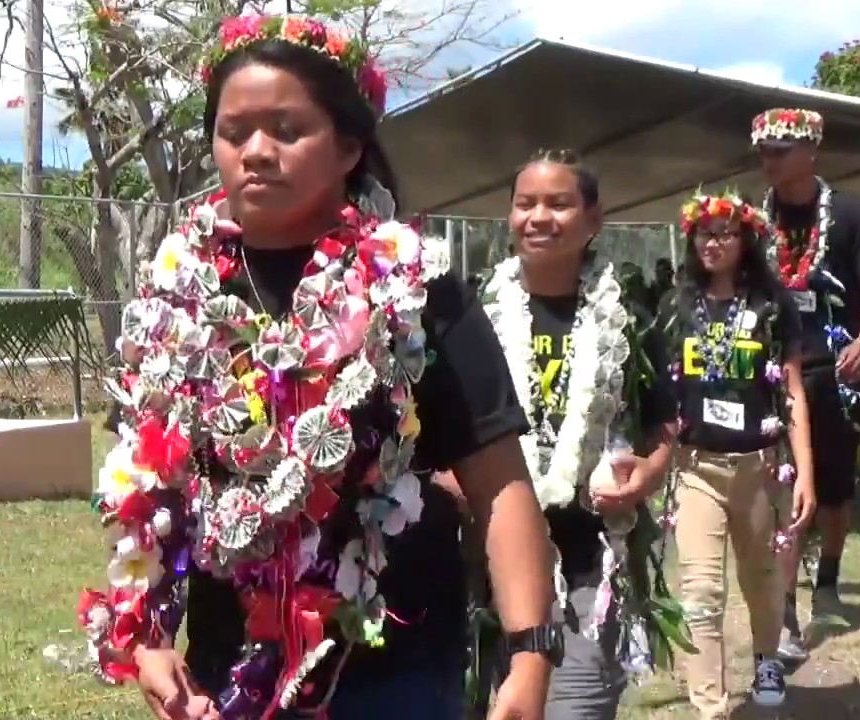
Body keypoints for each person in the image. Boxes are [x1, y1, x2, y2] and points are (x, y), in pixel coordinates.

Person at [78, 15, 559, 720]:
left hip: (395, 675)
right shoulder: (178, 296)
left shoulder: (416, 289)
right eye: (234, 132)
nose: (257, 152)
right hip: (228, 676)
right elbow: (154, 485)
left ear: (350, 146)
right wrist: (147, 638)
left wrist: (530, 653)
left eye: (287, 129)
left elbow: (500, 484)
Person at [474, 149, 679, 720]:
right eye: (526, 203)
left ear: (593, 220)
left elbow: (666, 421)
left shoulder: (629, 318)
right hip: (486, 560)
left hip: (593, 555)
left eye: (559, 204)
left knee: (577, 706)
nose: (540, 216)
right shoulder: (473, 312)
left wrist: (646, 477)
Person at [660, 191, 816, 719]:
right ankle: (712, 707)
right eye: (705, 232)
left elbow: (792, 390)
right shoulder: (675, 306)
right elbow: (659, 392)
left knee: (761, 581)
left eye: (726, 232)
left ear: (746, 238)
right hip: (697, 469)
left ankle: (767, 661)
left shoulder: (772, 306)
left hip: (760, 468)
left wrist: (806, 476)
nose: (714, 241)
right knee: (700, 592)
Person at [752, 108, 860, 661]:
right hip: (774, 374)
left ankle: (828, 579)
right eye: (765, 150)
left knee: (833, 488)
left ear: (812, 151)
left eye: (782, 149)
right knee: (782, 487)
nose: (771, 159)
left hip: (835, 372)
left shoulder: (852, 213)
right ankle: (783, 604)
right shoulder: (754, 219)